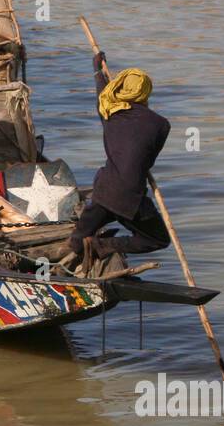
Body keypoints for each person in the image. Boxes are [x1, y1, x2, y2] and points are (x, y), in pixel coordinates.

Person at [64, 53, 170, 277]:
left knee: (75, 242)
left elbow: (102, 94)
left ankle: (69, 259)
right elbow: (147, 160)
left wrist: (97, 70)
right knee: (158, 240)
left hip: (102, 191)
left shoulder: (109, 112)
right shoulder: (161, 124)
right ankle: (103, 246)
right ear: (145, 92)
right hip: (130, 198)